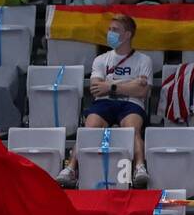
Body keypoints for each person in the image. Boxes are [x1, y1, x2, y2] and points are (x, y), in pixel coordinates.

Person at [56, 14, 151, 189]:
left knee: (132, 129)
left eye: (115, 30)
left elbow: (142, 91)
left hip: (131, 103)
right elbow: (95, 87)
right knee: (89, 128)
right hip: (104, 103)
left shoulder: (143, 60)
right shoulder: (101, 59)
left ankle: (139, 167)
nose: (110, 33)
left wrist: (111, 86)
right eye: (109, 29)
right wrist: (130, 83)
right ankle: (70, 169)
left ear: (128, 34)